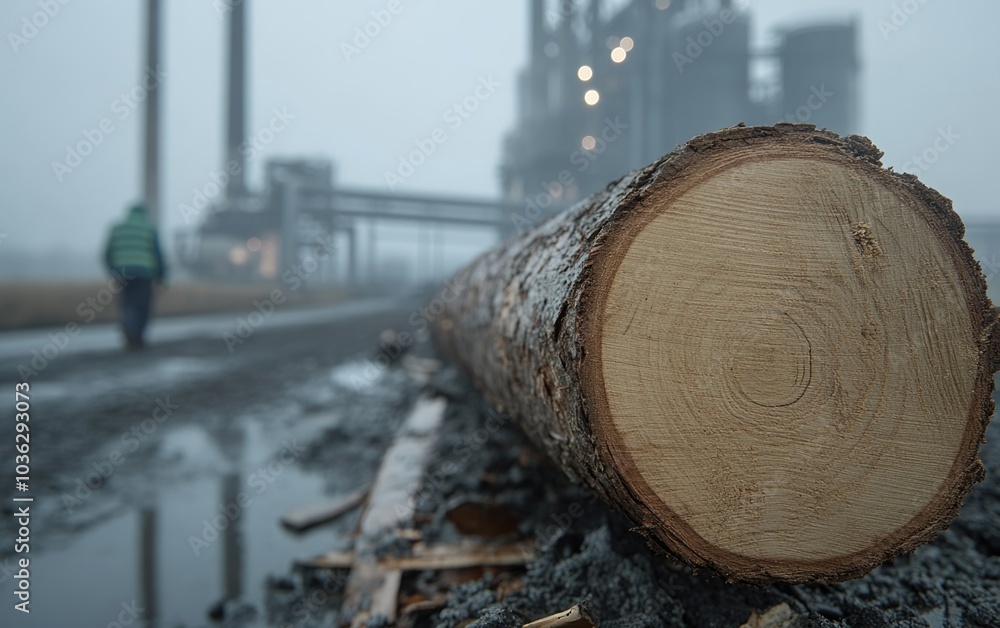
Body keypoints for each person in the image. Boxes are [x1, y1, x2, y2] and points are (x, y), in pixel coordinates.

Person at [103, 203, 167, 349]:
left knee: (127, 304)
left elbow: (107, 253)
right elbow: (158, 255)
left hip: (123, 273)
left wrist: (113, 271)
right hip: (144, 274)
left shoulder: (116, 228)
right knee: (142, 305)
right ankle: (137, 336)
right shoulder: (149, 229)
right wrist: (161, 276)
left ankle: (129, 332)